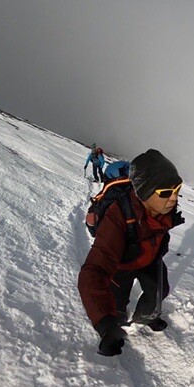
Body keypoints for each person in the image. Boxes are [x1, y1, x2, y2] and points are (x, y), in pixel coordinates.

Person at [78, 149, 184, 356]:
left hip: (151, 260)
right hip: (122, 266)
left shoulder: (164, 209)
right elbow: (94, 270)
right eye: (165, 192)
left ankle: (146, 317)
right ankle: (117, 319)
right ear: (144, 193)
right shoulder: (117, 216)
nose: (174, 198)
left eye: (177, 189)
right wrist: (105, 324)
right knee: (117, 304)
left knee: (158, 293)